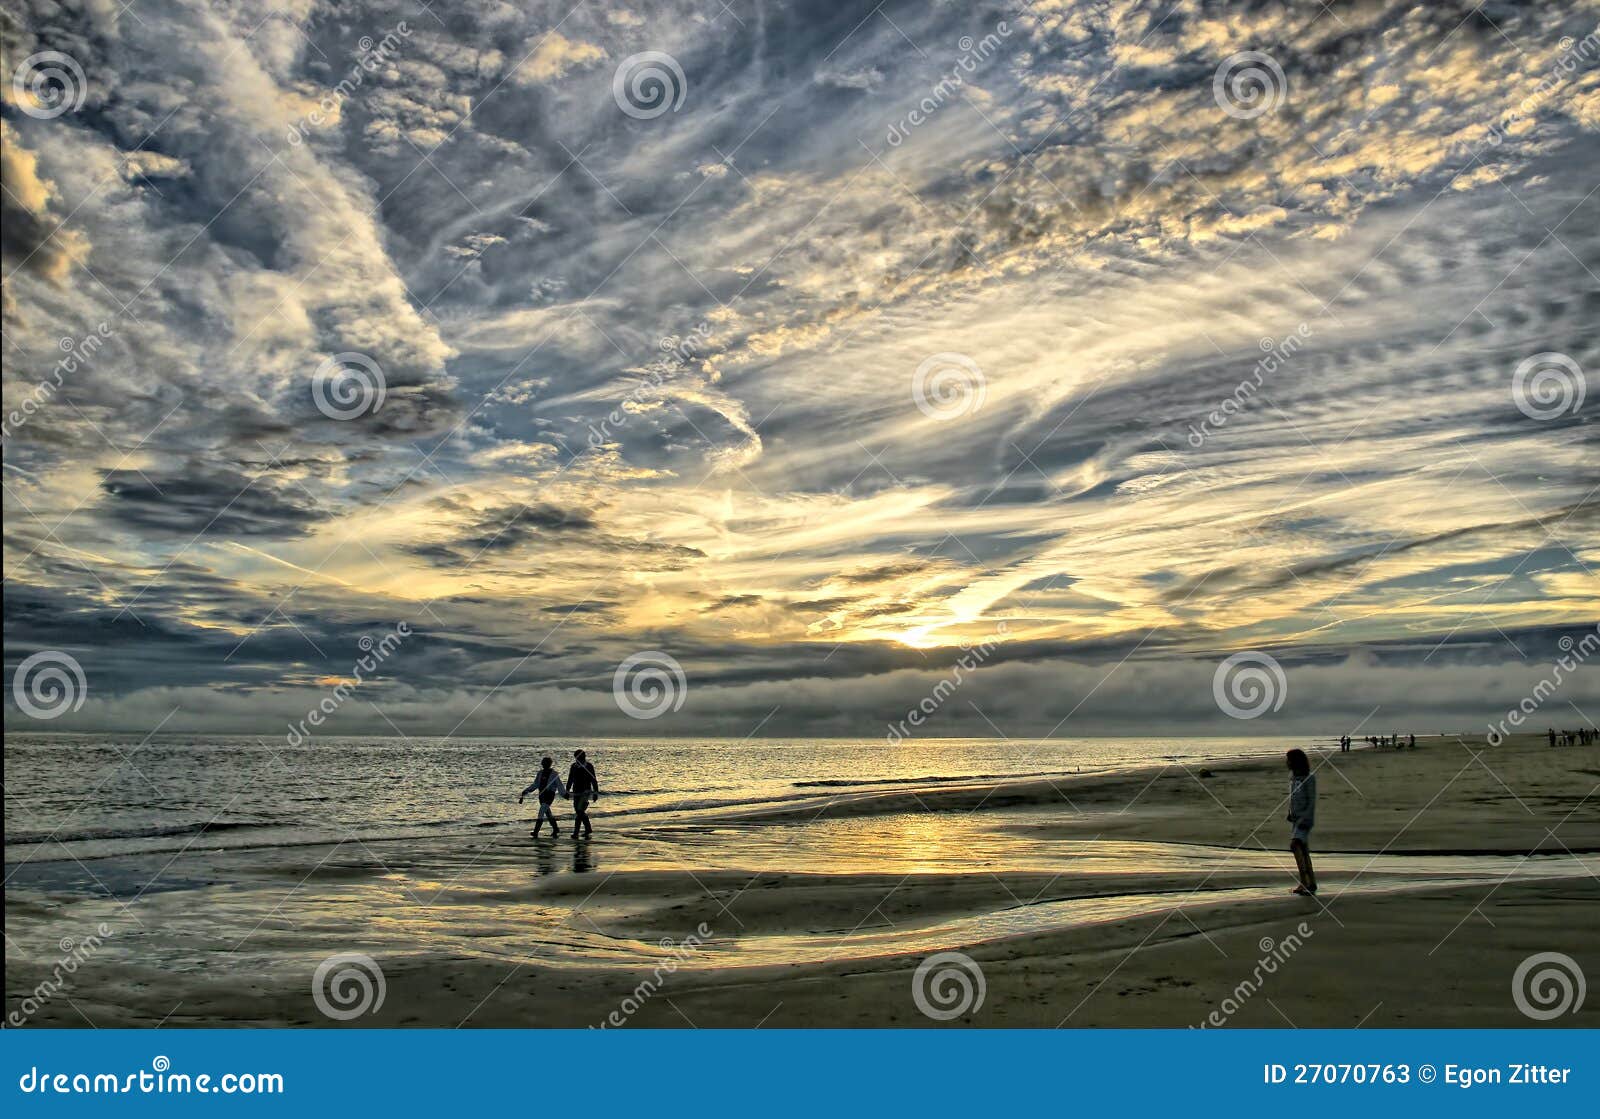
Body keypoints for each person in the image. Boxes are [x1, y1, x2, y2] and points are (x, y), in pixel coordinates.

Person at [1285, 748, 1318, 896]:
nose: (1286, 762)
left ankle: (1304, 882)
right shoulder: (1292, 777)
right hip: (1296, 818)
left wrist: (1305, 818)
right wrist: (1289, 812)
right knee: (1303, 849)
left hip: (1305, 818)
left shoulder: (1309, 778)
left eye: (1288, 759)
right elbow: (1292, 797)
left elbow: (1311, 801)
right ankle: (1311, 882)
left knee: (1295, 844)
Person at [519, 757, 566, 837]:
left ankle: (535, 832)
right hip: (541, 795)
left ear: (549, 764)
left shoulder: (554, 774)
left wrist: (564, 794)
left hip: (549, 795)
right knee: (548, 813)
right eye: (543, 763)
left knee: (541, 812)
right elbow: (535, 785)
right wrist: (526, 791)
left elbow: (559, 785)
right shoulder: (540, 773)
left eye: (546, 763)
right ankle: (555, 829)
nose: (544, 764)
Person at [566, 749, 600, 838]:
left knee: (580, 811)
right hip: (576, 792)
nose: (577, 759)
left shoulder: (589, 766)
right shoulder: (573, 766)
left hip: (586, 792)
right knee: (578, 811)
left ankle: (576, 832)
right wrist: (567, 790)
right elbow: (570, 779)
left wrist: (595, 793)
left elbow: (593, 780)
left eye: (579, 757)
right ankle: (588, 828)